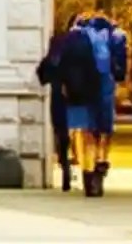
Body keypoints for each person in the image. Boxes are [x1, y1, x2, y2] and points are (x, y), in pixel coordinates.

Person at [56, 14, 102, 196]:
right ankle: (88, 175)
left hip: (70, 94)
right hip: (88, 94)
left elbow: (56, 68)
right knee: (88, 135)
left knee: (75, 132)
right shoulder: (91, 41)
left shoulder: (63, 42)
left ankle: (77, 165)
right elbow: (95, 68)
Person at [84, 14, 128, 196]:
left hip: (85, 86)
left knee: (87, 128)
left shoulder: (82, 34)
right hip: (106, 83)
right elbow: (120, 65)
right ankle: (101, 161)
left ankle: (88, 168)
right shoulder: (115, 35)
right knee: (105, 128)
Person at [37, 14, 79, 191]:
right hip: (78, 95)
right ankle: (81, 167)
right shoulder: (87, 43)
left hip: (60, 92)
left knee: (61, 133)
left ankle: (66, 167)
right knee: (78, 132)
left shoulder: (58, 42)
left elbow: (45, 69)